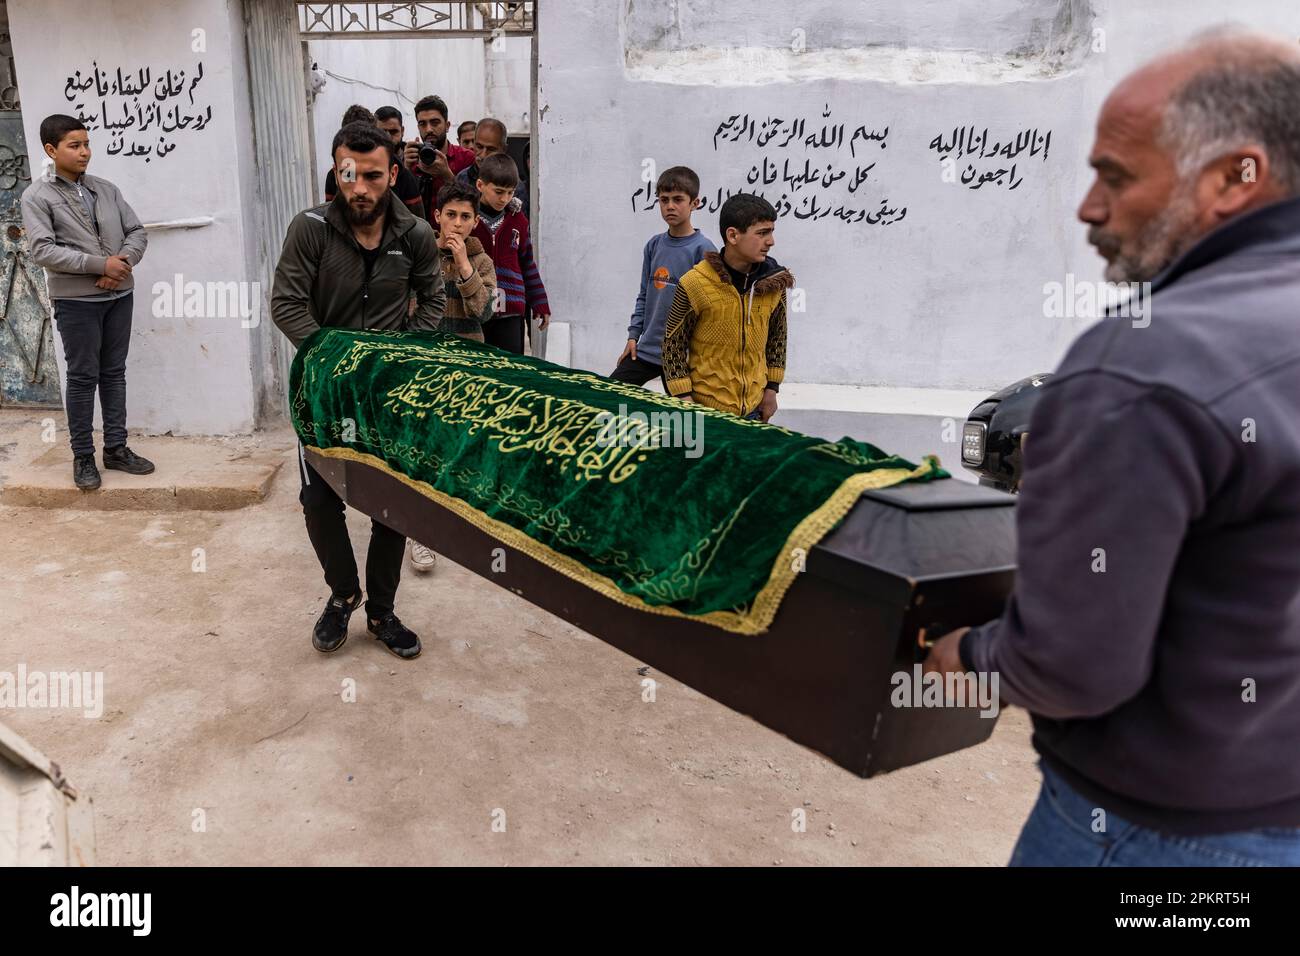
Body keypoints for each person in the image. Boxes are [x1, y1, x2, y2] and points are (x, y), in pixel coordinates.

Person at [924, 28, 1300, 866]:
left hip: (1159, 835)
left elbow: (1074, 666)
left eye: (1117, 176)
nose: (1090, 207)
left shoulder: (1139, 364)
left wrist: (967, 652)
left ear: (1235, 177)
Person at [270, 121, 445, 661]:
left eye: (373, 175)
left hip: (389, 396)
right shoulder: (310, 229)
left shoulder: (415, 234)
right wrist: (333, 356)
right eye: (350, 174)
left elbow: (433, 302)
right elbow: (286, 304)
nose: (361, 187)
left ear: (393, 173)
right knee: (319, 500)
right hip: (322, 393)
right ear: (336, 172)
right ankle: (344, 594)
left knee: (393, 507)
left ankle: (382, 612)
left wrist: (396, 360)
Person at [21, 114, 152, 490]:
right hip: (77, 303)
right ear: (51, 150)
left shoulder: (106, 189)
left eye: (86, 144)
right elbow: (43, 250)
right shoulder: (37, 196)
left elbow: (136, 231)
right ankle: (83, 457)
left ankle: (116, 449)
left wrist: (120, 265)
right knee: (82, 378)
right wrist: (99, 264)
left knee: (114, 373)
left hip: (119, 295)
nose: (84, 152)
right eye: (74, 146)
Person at [402, 180, 498, 575]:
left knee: (458, 444)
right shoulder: (417, 253)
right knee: (421, 444)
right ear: (437, 216)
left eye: (465, 217)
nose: (457, 224)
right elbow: (404, 307)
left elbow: (484, 312)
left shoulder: (483, 262)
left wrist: (463, 267)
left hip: (467, 368)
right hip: (423, 366)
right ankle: (419, 532)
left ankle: (456, 523)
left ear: (475, 221)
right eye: (451, 215)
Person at [660, 193, 790, 420]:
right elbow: (673, 345)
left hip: (754, 410)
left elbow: (778, 338)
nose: (771, 241)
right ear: (733, 235)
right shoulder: (694, 283)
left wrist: (772, 389)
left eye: (771, 232)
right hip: (704, 413)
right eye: (762, 233)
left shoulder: (775, 283)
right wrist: (684, 400)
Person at [610, 166, 714, 388]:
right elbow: (644, 296)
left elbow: (710, 310)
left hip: (681, 357)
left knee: (685, 419)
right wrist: (633, 337)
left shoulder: (704, 250)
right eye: (664, 200)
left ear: (695, 203)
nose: (670, 206)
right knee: (610, 394)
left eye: (678, 199)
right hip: (647, 350)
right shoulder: (654, 245)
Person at [469, 153, 550, 354]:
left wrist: (539, 301)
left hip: (511, 311)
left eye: (509, 192)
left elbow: (527, 263)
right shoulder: (468, 219)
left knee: (509, 366)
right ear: (480, 185)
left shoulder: (518, 221)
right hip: (475, 308)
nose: (504, 199)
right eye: (498, 192)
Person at [324, 105, 423, 219]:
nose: (360, 190)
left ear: (392, 174)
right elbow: (330, 217)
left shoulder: (403, 175)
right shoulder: (334, 175)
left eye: (373, 176)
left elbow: (416, 223)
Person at [402, 94, 475, 221]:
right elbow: (399, 204)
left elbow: (475, 203)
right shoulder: (412, 158)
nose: (429, 129)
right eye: (422, 124)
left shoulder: (466, 158)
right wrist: (406, 169)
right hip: (418, 235)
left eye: (435, 123)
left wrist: (447, 175)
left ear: (447, 126)